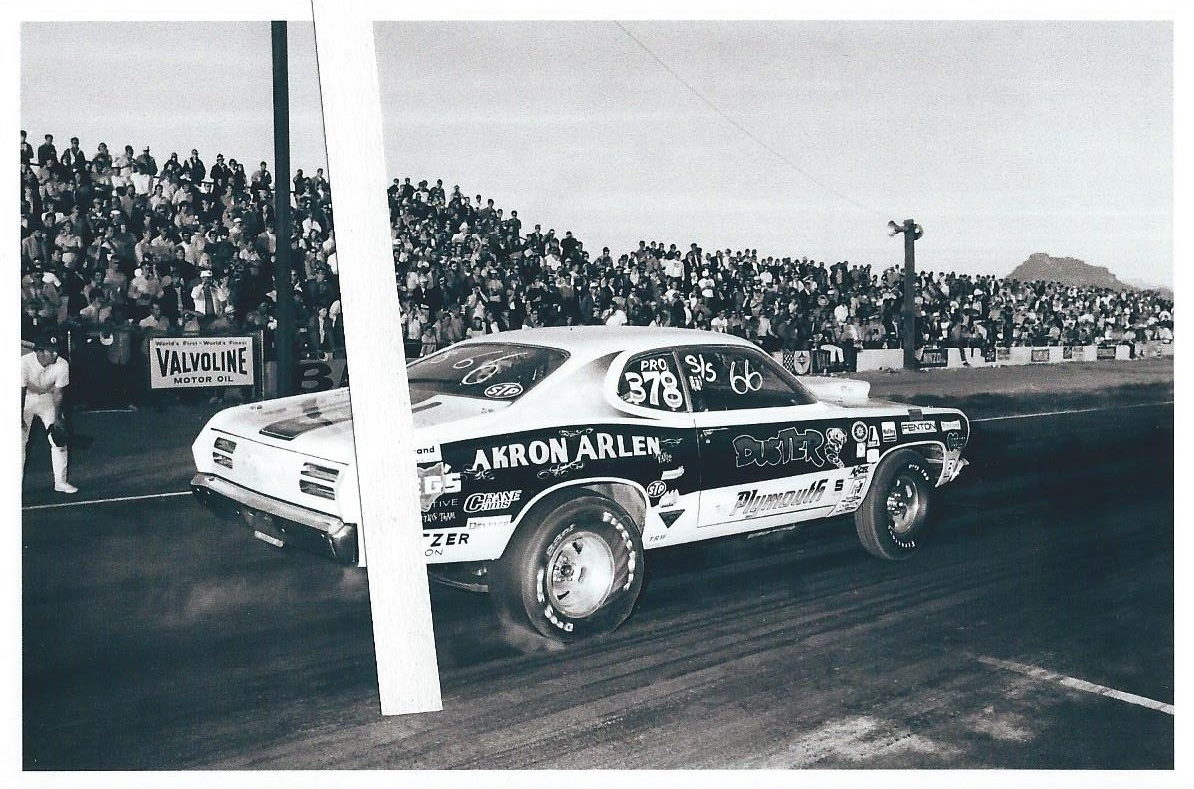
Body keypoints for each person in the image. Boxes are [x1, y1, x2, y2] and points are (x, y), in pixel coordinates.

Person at [21, 334, 77, 494]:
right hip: (25, 400)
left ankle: (61, 482)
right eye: (50, 351)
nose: (54, 354)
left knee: (59, 439)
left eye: (56, 351)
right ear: (39, 351)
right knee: (18, 443)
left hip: (47, 398)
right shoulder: (23, 363)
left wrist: (58, 419)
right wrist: (18, 418)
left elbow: (59, 393)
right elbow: (20, 391)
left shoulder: (62, 364)